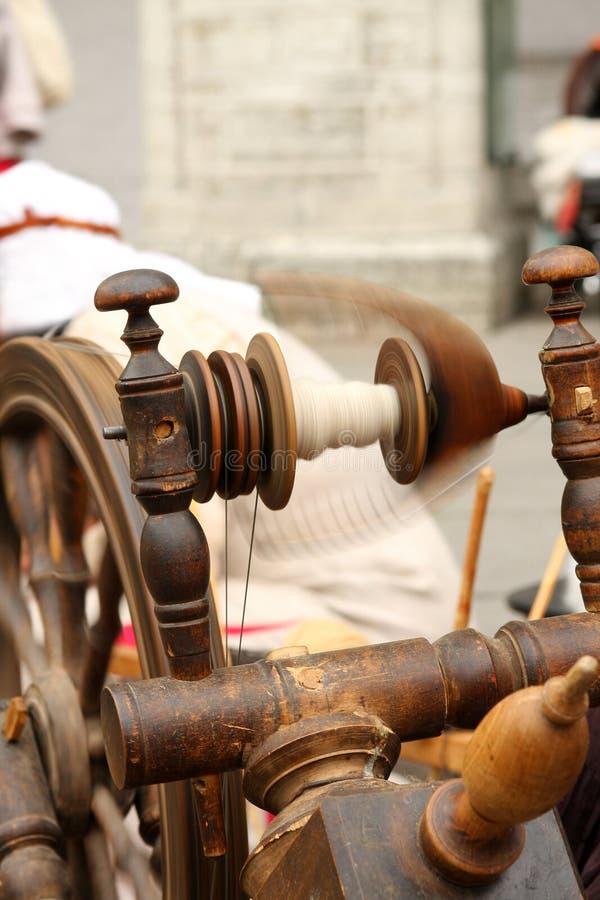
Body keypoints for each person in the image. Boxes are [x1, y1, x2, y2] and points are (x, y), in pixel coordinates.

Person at [0, 157, 460, 657]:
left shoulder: (117, 351)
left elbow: (185, 561)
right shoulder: (178, 318)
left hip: (381, 631)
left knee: (58, 634)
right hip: (413, 603)